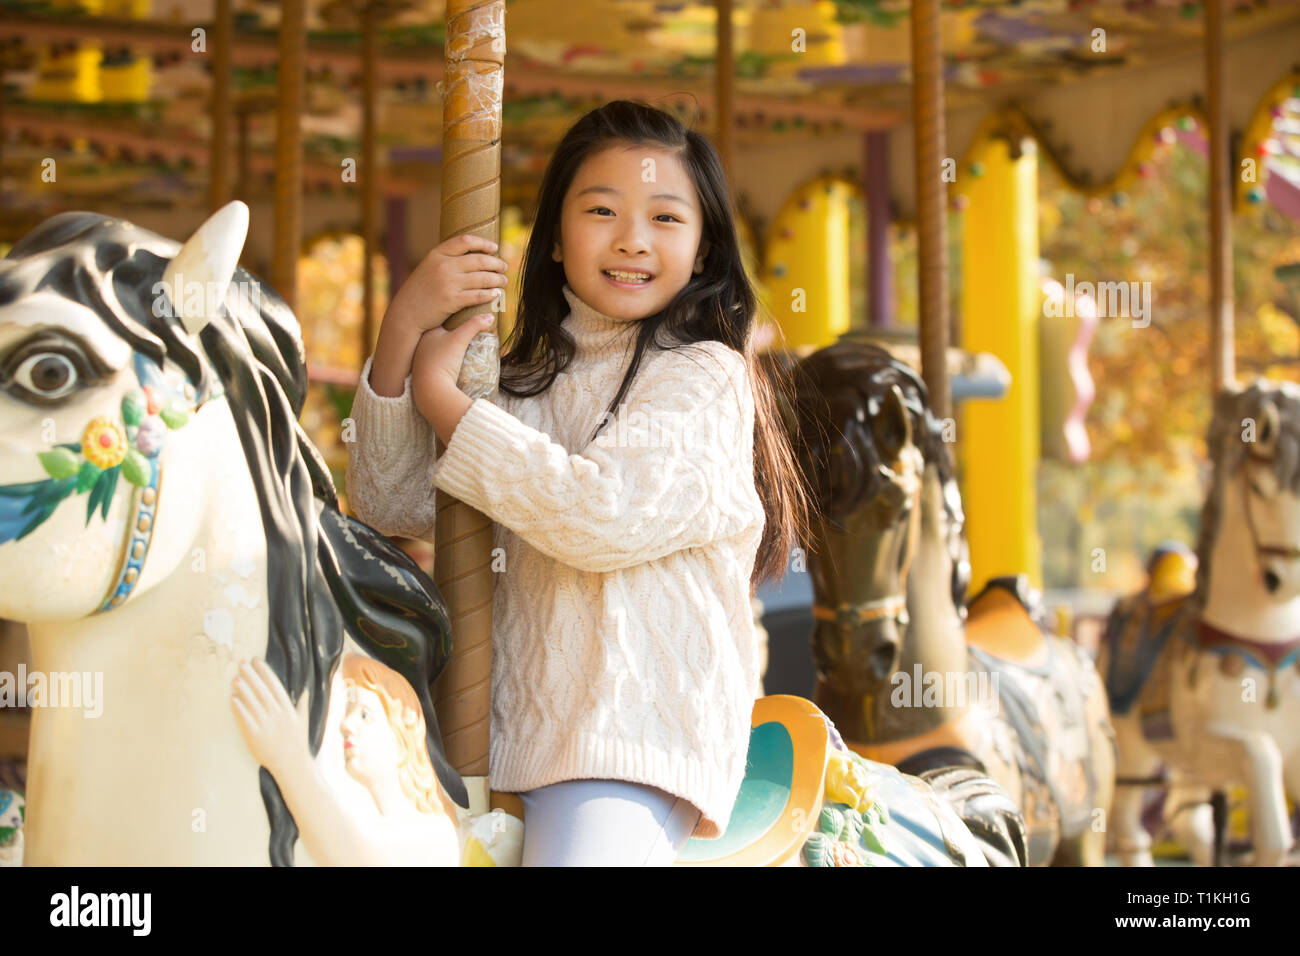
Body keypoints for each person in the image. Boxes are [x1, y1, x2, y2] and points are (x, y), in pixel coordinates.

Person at [346, 99, 812, 866]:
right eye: (602, 210)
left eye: (665, 218)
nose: (632, 238)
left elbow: (603, 515)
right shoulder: (513, 385)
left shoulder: (703, 379)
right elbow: (391, 501)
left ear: (702, 252)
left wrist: (443, 402)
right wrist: (405, 328)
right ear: (556, 238)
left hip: (627, 741)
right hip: (491, 733)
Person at [231, 655, 461, 866]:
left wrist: (291, 763)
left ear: (400, 737)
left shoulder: (435, 832)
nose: (347, 724)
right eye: (348, 712)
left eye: (364, 715)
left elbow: (362, 858)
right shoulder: (372, 818)